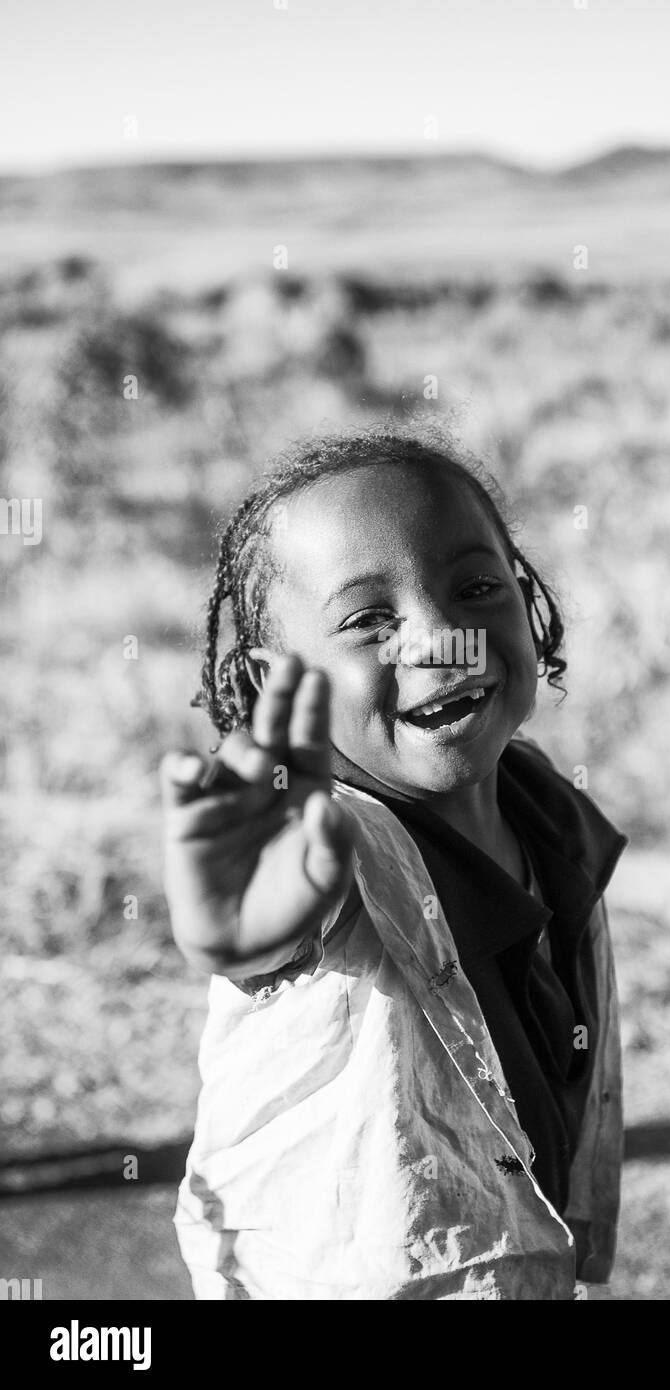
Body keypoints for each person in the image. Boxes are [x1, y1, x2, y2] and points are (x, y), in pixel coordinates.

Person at [161, 430, 627, 1300]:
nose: (443, 639)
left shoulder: (544, 809)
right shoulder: (331, 844)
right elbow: (257, 937)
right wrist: (231, 929)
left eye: (478, 588)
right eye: (369, 619)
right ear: (276, 683)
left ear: (528, 601)